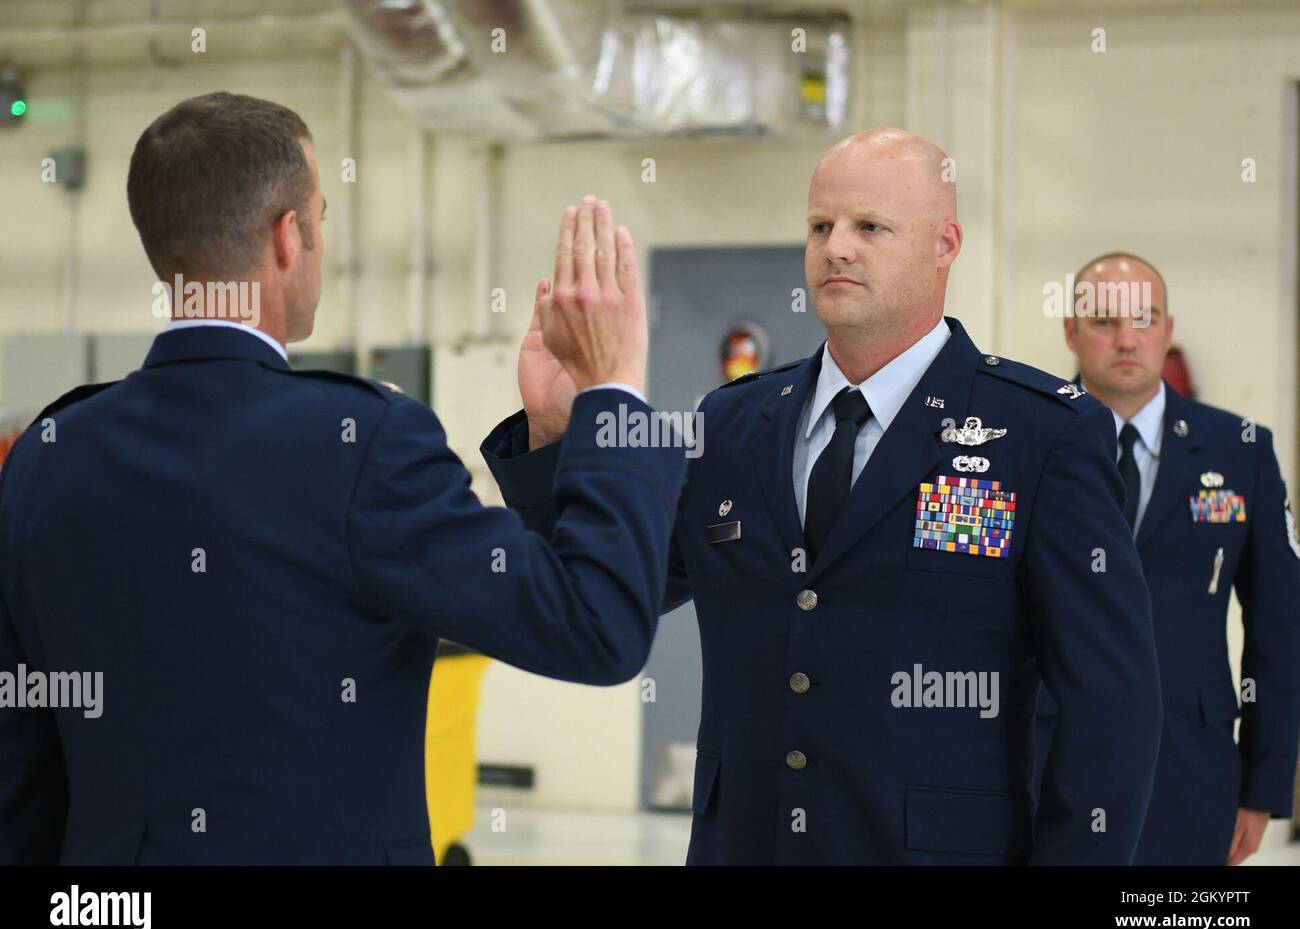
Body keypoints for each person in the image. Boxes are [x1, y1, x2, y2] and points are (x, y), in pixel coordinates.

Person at [0, 92, 684, 865]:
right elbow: (595, 625)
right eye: (319, 218)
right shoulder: (362, 445)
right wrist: (611, 393)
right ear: (288, 237)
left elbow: (20, 770)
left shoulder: (47, 453)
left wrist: (555, 435)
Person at [483, 128, 1163, 864]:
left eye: (869, 227)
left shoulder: (1042, 434)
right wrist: (556, 433)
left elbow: (1110, 704)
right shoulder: (731, 424)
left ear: (945, 244)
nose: (837, 247)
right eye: (820, 226)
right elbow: (607, 589)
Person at [1037, 251, 1300, 865]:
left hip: (1192, 766)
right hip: (1046, 759)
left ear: (1168, 330)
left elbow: (1279, 628)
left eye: (1145, 318)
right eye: (1103, 320)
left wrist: (1263, 787)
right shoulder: (1027, 441)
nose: (1127, 339)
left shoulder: (1241, 452)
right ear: (1071, 331)